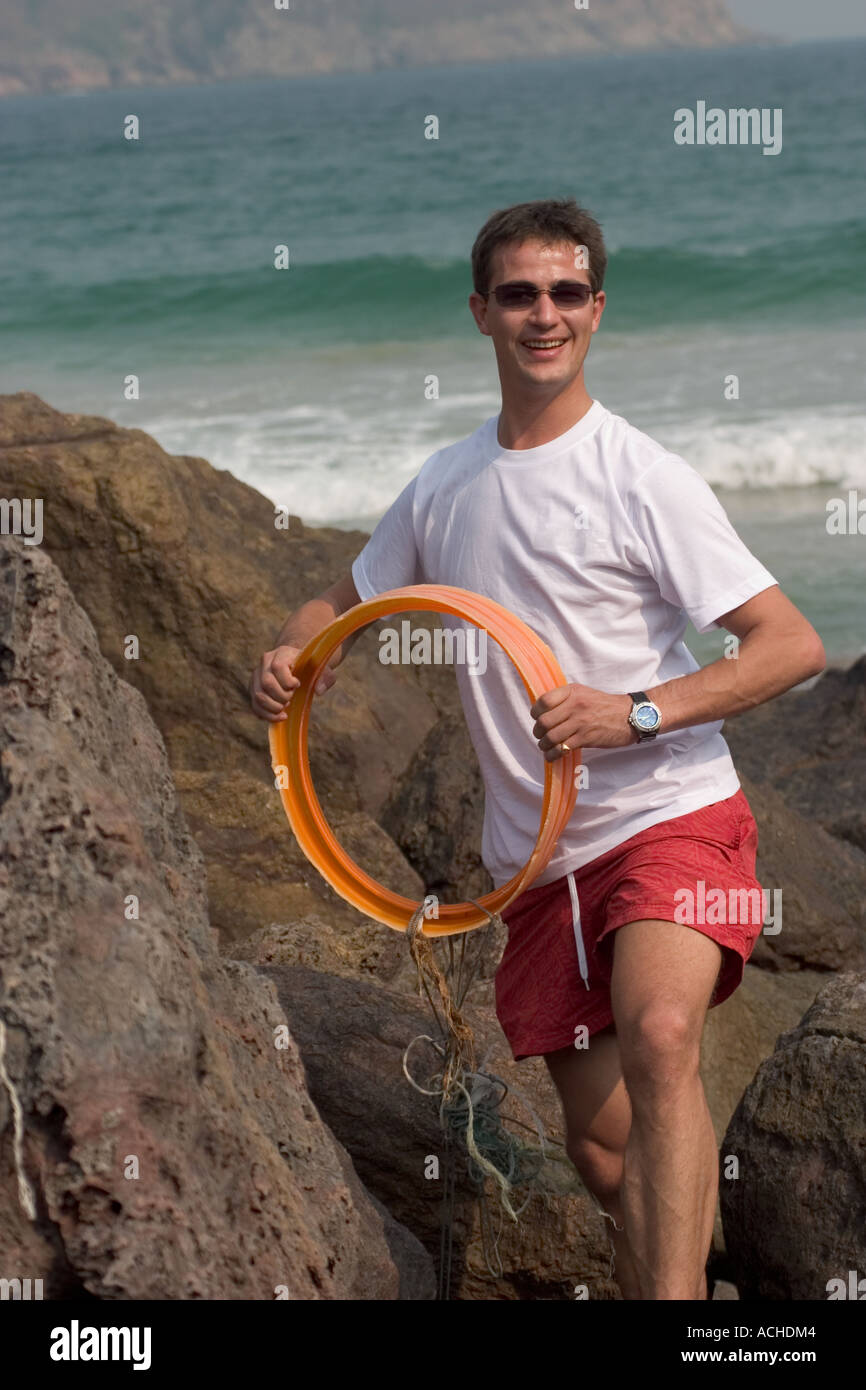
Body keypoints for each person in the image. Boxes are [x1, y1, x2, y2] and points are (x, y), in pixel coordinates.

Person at [249, 198, 826, 1301]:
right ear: (480, 313)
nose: (542, 314)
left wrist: (636, 710)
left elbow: (787, 642)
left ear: (595, 311)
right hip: (538, 864)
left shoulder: (640, 475)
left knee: (662, 1037)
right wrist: (287, 657)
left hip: (673, 813)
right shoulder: (443, 484)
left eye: (565, 293)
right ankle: (698, 1287)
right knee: (608, 1154)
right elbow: (335, 604)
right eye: (518, 294)